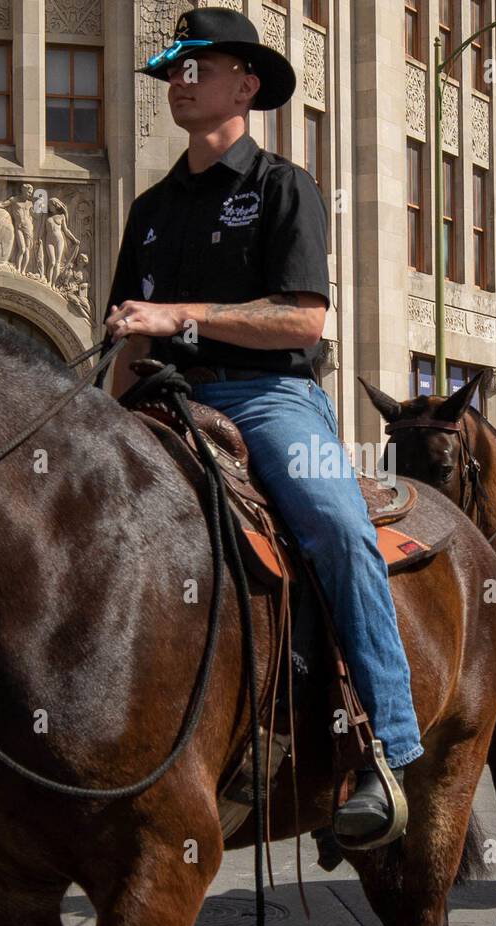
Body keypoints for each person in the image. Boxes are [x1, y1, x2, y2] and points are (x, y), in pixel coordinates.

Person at [102, 9, 416, 843]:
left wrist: (177, 316)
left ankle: (384, 741)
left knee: (338, 530)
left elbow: (304, 322)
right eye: (172, 69)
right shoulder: (150, 207)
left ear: (246, 84)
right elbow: (130, 335)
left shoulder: (283, 185)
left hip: (267, 399)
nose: (180, 80)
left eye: (196, 67)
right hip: (163, 400)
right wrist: (105, 405)